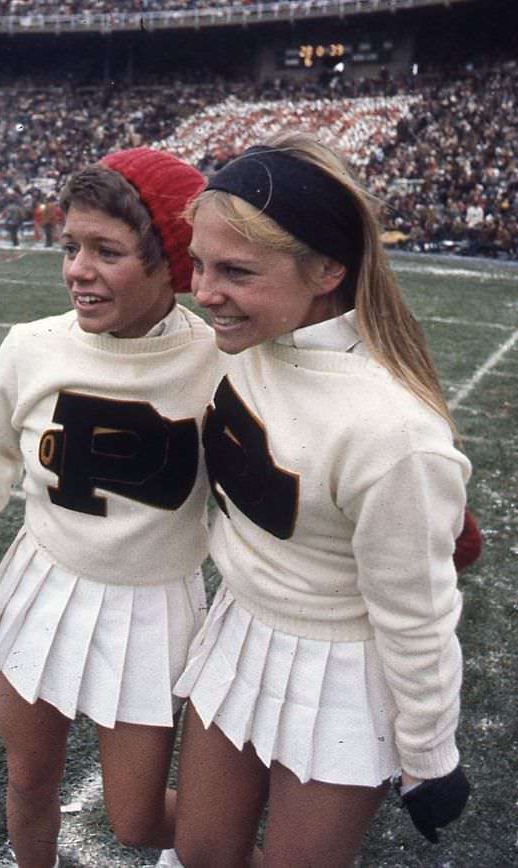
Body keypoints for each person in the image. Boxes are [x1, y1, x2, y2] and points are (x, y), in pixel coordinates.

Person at [171, 134, 473, 868]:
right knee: (202, 852)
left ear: (329, 269)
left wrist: (430, 754)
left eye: (235, 271)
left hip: (341, 667)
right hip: (240, 632)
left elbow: (417, 617)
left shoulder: (394, 431)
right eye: (200, 263)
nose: (203, 291)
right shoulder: (247, 340)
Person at [0, 149, 216, 868]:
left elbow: (310, 430)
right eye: (70, 246)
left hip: (151, 607)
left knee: (138, 821)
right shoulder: (31, 347)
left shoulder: (222, 358)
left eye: (106, 251)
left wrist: (426, 503)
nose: (77, 269)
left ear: (171, 261)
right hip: (43, 587)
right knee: (29, 779)